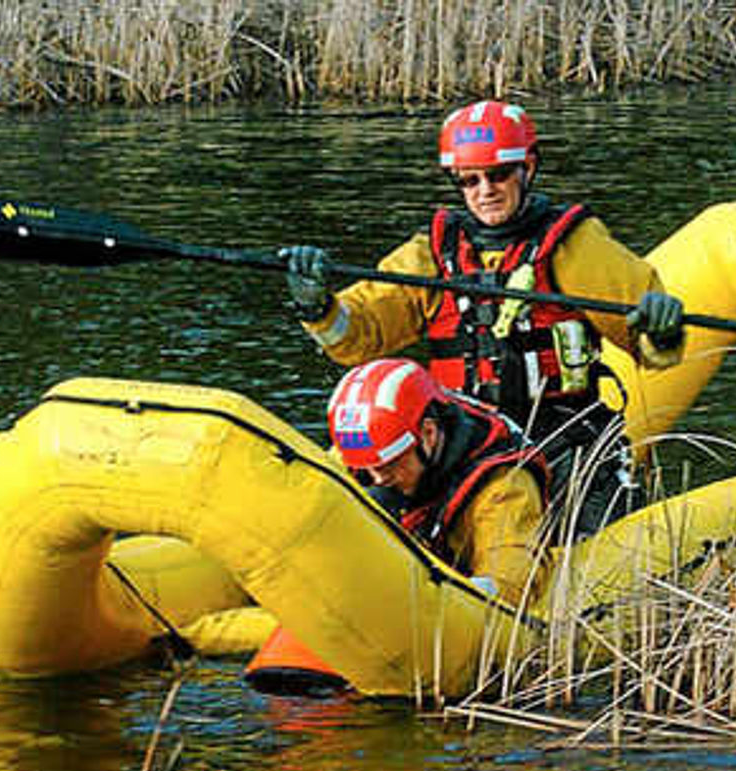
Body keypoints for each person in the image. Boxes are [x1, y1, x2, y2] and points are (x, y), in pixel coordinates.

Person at [283, 100, 685, 535]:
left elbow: (651, 347)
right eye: (469, 180)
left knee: (602, 531)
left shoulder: (575, 246)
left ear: (528, 168)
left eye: (498, 175)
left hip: (562, 437)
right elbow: (358, 334)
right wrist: (318, 307)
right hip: (463, 441)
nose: (484, 190)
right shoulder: (431, 254)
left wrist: (661, 331)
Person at [327, 358, 549, 607]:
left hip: (459, 588)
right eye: (367, 467)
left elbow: (511, 582)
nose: (378, 478)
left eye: (391, 465)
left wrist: (436, 602)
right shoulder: (367, 446)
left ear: (428, 433)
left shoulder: (503, 488)